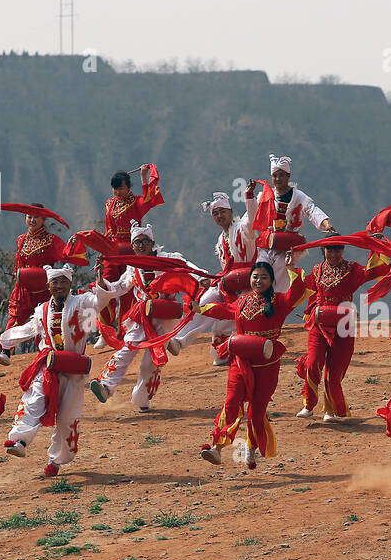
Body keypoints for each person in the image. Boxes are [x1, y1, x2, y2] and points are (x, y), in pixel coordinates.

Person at [0, 262, 122, 477]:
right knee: (32, 402)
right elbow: (27, 330)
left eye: (64, 281)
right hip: (48, 367)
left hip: (73, 371)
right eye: (55, 282)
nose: (60, 286)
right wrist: (2, 341)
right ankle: (19, 441)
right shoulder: (42, 310)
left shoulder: (82, 304)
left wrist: (100, 282)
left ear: (70, 284)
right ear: (48, 286)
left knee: (66, 420)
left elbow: (100, 301)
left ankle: (56, 460)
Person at [199, 258, 309, 469]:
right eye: (255, 277)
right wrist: (199, 309)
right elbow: (223, 310)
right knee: (231, 402)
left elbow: (297, 291)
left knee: (256, 412)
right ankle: (217, 448)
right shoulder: (242, 301)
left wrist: (290, 268)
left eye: (264, 277)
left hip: (267, 364)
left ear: (272, 280)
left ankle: (250, 449)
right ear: (249, 279)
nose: (259, 281)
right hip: (241, 361)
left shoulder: (279, 302)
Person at [90, 224, 205, 411]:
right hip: (141, 315)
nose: (141, 245)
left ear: (152, 243)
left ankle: (141, 398)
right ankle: (106, 386)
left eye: (145, 241)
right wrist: (101, 280)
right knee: (128, 347)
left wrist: (201, 279)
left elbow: (187, 267)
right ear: (132, 246)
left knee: (149, 364)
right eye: (137, 242)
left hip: (164, 317)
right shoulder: (132, 267)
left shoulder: (167, 259)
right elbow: (119, 288)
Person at [169, 185, 286, 363]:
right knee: (203, 302)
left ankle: (242, 348)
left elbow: (253, 217)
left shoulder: (242, 228)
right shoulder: (220, 239)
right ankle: (180, 340)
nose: (219, 216)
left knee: (225, 324)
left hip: (249, 283)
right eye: (215, 213)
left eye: (222, 211)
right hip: (228, 283)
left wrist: (249, 196)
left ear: (231, 211)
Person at [296, 242, 391, 421]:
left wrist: (378, 246)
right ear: (323, 251)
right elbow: (304, 287)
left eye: (337, 250)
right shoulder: (317, 270)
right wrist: (288, 265)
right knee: (313, 362)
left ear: (343, 250)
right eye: (329, 250)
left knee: (334, 371)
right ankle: (308, 406)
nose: (333, 254)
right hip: (320, 322)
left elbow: (375, 271)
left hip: (343, 324)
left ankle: (330, 410)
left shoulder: (352, 269)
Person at [0, 204, 86, 365]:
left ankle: (48, 357)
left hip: (44, 289)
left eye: (36, 217)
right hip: (23, 288)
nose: (32, 220)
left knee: (44, 324)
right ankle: (6, 351)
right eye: (29, 217)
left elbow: (65, 253)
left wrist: (73, 244)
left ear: (44, 219)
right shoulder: (21, 239)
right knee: (15, 318)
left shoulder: (52, 240)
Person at [97, 166, 164, 347]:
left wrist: (144, 177)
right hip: (112, 251)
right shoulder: (109, 203)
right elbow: (108, 229)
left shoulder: (136, 202)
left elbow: (150, 199)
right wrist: (104, 248)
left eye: (121, 188)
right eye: (115, 188)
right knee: (105, 285)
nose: (117, 192)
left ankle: (123, 332)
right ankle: (105, 330)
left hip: (133, 250)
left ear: (129, 187)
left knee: (127, 292)